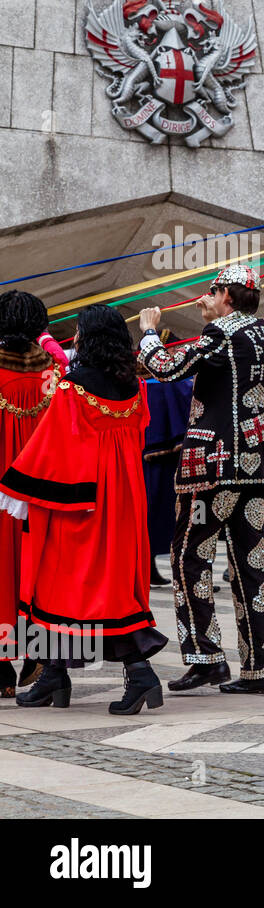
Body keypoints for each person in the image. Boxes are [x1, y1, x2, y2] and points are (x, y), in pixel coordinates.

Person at [3, 305, 168, 713]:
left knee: (65, 586)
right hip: (124, 505)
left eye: (78, 331)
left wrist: (16, 487)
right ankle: (55, 677)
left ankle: (141, 673)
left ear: (87, 338)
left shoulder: (72, 389)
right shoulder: (135, 388)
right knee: (111, 587)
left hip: (80, 505)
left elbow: (52, 448)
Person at [137, 262, 264, 695]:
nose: (204, 298)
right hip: (255, 467)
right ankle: (262, 666)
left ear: (228, 297)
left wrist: (149, 332)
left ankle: (207, 657)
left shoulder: (224, 332)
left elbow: (166, 368)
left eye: (211, 292)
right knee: (249, 564)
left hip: (214, 468)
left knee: (189, 557)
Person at [0, 292, 65, 698]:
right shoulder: (57, 372)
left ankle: (1, 667)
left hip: (2, 489)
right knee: (40, 571)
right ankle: (37, 658)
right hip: (44, 489)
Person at [141, 338, 193, 587]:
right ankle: (181, 571)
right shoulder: (169, 383)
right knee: (174, 515)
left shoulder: (141, 382)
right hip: (165, 462)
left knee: (153, 515)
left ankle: (149, 567)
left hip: (148, 458)